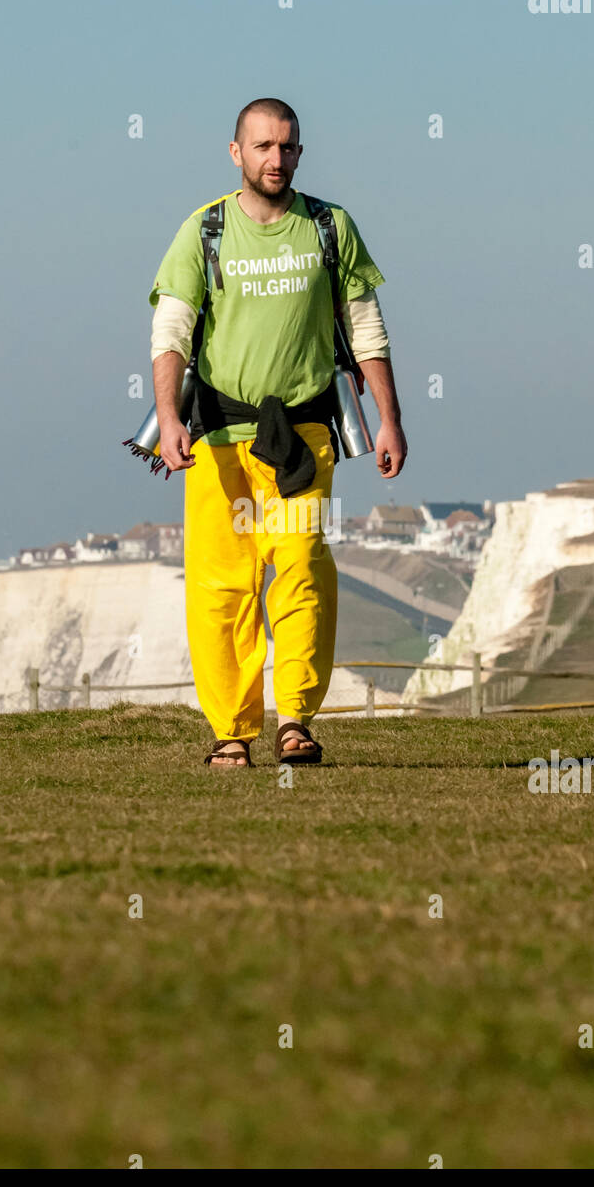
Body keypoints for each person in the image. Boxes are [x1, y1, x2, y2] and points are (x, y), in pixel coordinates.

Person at [148, 98, 407, 766]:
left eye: (288, 147)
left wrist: (389, 421)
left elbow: (366, 329)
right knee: (221, 585)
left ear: (300, 152)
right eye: (263, 146)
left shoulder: (330, 226)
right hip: (218, 436)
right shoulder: (204, 231)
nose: (276, 159)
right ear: (236, 152)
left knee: (300, 571)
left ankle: (296, 720)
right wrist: (169, 419)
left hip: (305, 433)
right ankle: (230, 731)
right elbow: (171, 331)